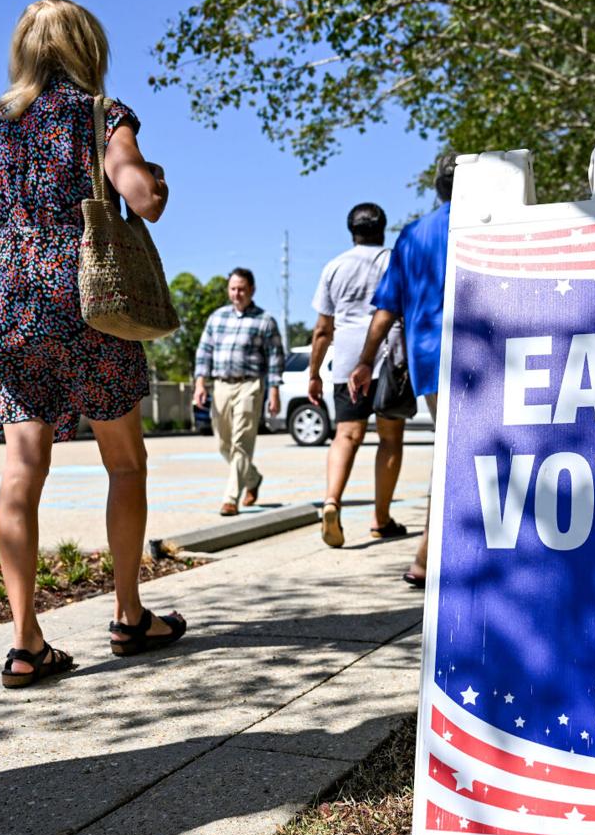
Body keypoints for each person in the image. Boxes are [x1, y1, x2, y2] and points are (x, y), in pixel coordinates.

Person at [0, 0, 185, 687]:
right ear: (87, 46)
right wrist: (145, 186)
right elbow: (134, 186)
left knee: (21, 467)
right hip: (86, 296)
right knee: (123, 462)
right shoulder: (102, 113)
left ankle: (25, 642)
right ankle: (129, 614)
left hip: (10, 299)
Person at [349, 155, 454, 588]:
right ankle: (428, 559)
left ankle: (431, 559)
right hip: (487, 355)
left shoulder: (414, 234)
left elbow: (386, 308)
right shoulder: (492, 224)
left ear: (437, 186)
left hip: (430, 358)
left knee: (451, 453)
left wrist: (365, 360)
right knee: (462, 458)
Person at [308, 203, 408, 547]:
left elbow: (323, 329)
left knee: (346, 435)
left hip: (348, 358)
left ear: (350, 230)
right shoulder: (395, 259)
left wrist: (314, 373)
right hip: (388, 356)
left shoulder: (334, 267)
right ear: (383, 227)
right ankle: (381, 519)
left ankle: (331, 501)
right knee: (390, 438)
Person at [192, 270, 286, 517]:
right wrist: (200, 384)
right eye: (233, 289)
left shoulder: (265, 321)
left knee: (242, 442)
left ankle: (230, 498)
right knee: (223, 443)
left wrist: (274, 391)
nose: (237, 294)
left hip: (250, 385)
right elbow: (204, 352)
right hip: (221, 384)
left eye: (242, 289)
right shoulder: (217, 318)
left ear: (252, 290)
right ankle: (253, 478)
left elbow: (276, 359)